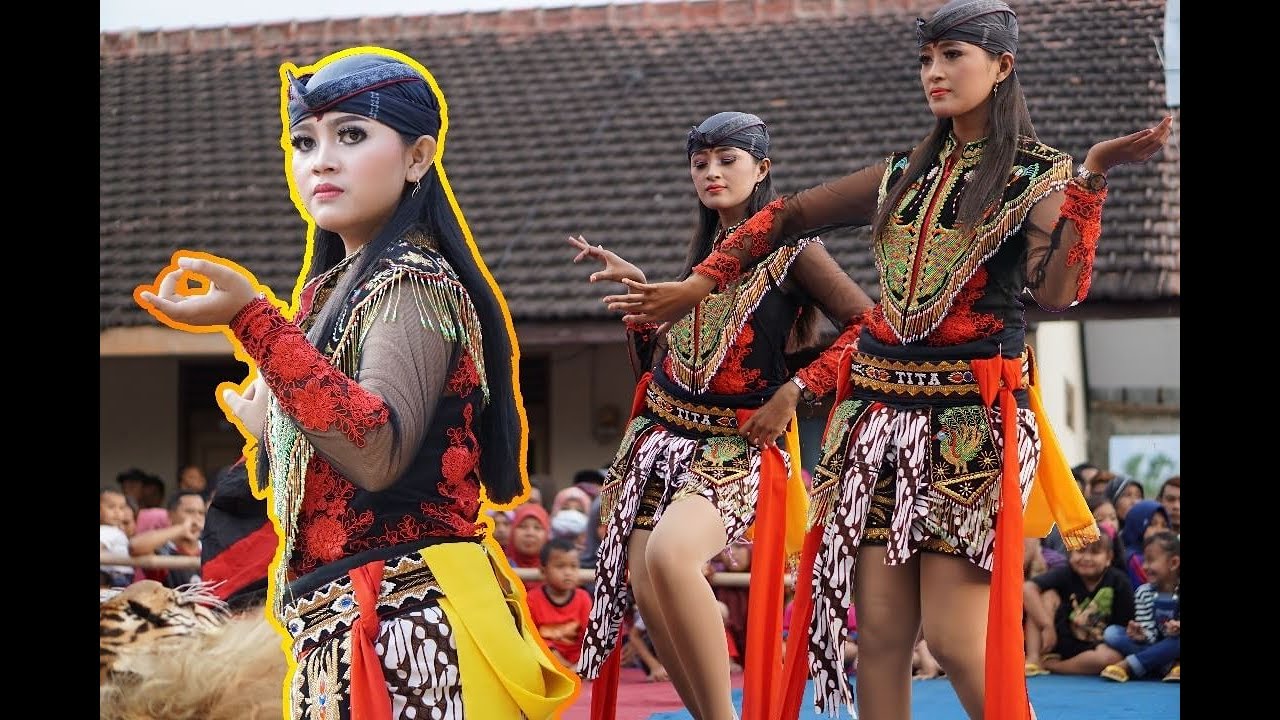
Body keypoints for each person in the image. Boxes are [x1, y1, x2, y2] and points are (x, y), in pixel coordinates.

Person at [596, 2, 1172, 717]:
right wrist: (698, 284)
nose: (934, 72)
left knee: (956, 642)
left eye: (952, 56)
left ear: (1002, 66)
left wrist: (1091, 178)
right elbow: (787, 215)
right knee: (881, 639)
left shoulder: (1039, 178)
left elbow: (1058, 292)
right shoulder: (901, 174)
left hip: (968, 425)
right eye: (926, 59)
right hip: (874, 422)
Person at [135, 48, 576, 719]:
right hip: (350, 622)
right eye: (304, 142)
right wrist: (270, 424)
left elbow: (374, 450)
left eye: (350, 134)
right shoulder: (333, 291)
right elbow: (335, 449)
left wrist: (251, 318)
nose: (322, 161)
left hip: (410, 634)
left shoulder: (412, 282)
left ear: (418, 158)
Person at [571, 110, 875, 720]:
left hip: (734, 445)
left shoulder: (795, 251)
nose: (711, 172)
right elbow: (681, 357)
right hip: (658, 438)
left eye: (727, 160)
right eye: (700, 163)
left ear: (762, 169)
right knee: (648, 586)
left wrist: (794, 391)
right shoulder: (705, 254)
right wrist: (646, 296)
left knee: (670, 556)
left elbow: (868, 327)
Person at [1022, 527, 1133, 677]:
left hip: (1096, 647)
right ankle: (1034, 657)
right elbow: (1028, 588)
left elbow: (1123, 625)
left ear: (1109, 558)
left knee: (1111, 658)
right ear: (1070, 553)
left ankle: (1054, 666)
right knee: (1046, 596)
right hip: (1058, 641)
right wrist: (1046, 625)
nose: (1086, 558)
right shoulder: (1065, 573)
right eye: (1080, 551)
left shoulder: (1119, 582)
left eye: (1095, 553)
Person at [1100, 530, 1179, 683]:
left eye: (1151, 560)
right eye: (1144, 560)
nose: (1145, 566)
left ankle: (1129, 665)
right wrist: (1141, 634)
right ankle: (1168, 665)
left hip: (1176, 642)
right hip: (1155, 645)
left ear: (1173, 563)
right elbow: (1150, 634)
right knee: (1112, 633)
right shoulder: (1143, 592)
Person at [526, 537, 593, 670]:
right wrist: (559, 662)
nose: (568, 573)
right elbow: (530, 638)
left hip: (577, 661)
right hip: (544, 661)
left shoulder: (583, 598)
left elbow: (590, 636)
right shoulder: (532, 599)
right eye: (560, 566)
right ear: (543, 571)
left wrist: (580, 665)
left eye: (573, 566)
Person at [1117, 499, 1171, 588]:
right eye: (1152, 524)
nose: (1160, 530)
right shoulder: (1136, 559)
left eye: (1164, 525)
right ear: (1137, 525)